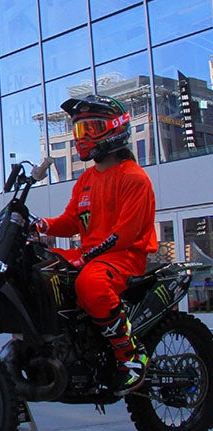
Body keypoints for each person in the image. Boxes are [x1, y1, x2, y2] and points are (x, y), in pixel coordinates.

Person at [34, 94, 157, 396]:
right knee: (36, 268)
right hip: (92, 255)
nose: (82, 138)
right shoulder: (86, 178)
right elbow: (71, 221)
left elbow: (125, 234)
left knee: (90, 283)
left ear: (115, 128)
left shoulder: (134, 178)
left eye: (90, 128)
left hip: (124, 257)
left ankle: (130, 356)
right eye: (78, 130)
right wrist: (43, 226)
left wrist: (85, 257)